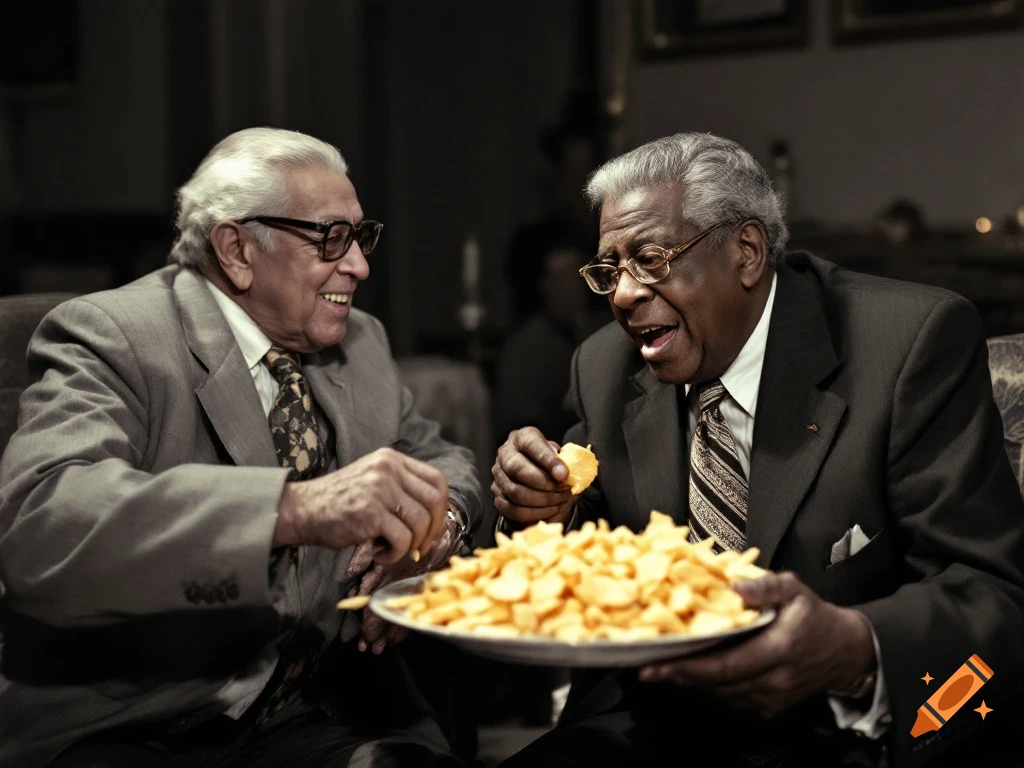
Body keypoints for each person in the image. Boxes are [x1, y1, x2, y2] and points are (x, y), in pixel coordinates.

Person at [491, 133, 1024, 767]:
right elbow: (586, 559)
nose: (624, 295)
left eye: (651, 259)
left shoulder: (907, 344)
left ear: (746, 252)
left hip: (839, 726)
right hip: (644, 720)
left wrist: (855, 647)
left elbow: (991, 594)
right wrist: (539, 513)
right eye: (611, 270)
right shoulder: (604, 366)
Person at [0, 127, 483, 768]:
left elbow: (441, 461)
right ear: (236, 249)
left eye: (360, 236)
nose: (360, 266)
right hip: (132, 721)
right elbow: (43, 524)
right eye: (330, 238)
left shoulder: (360, 342)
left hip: (303, 710)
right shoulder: (114, 334)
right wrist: (295, 510)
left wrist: (439, 527)